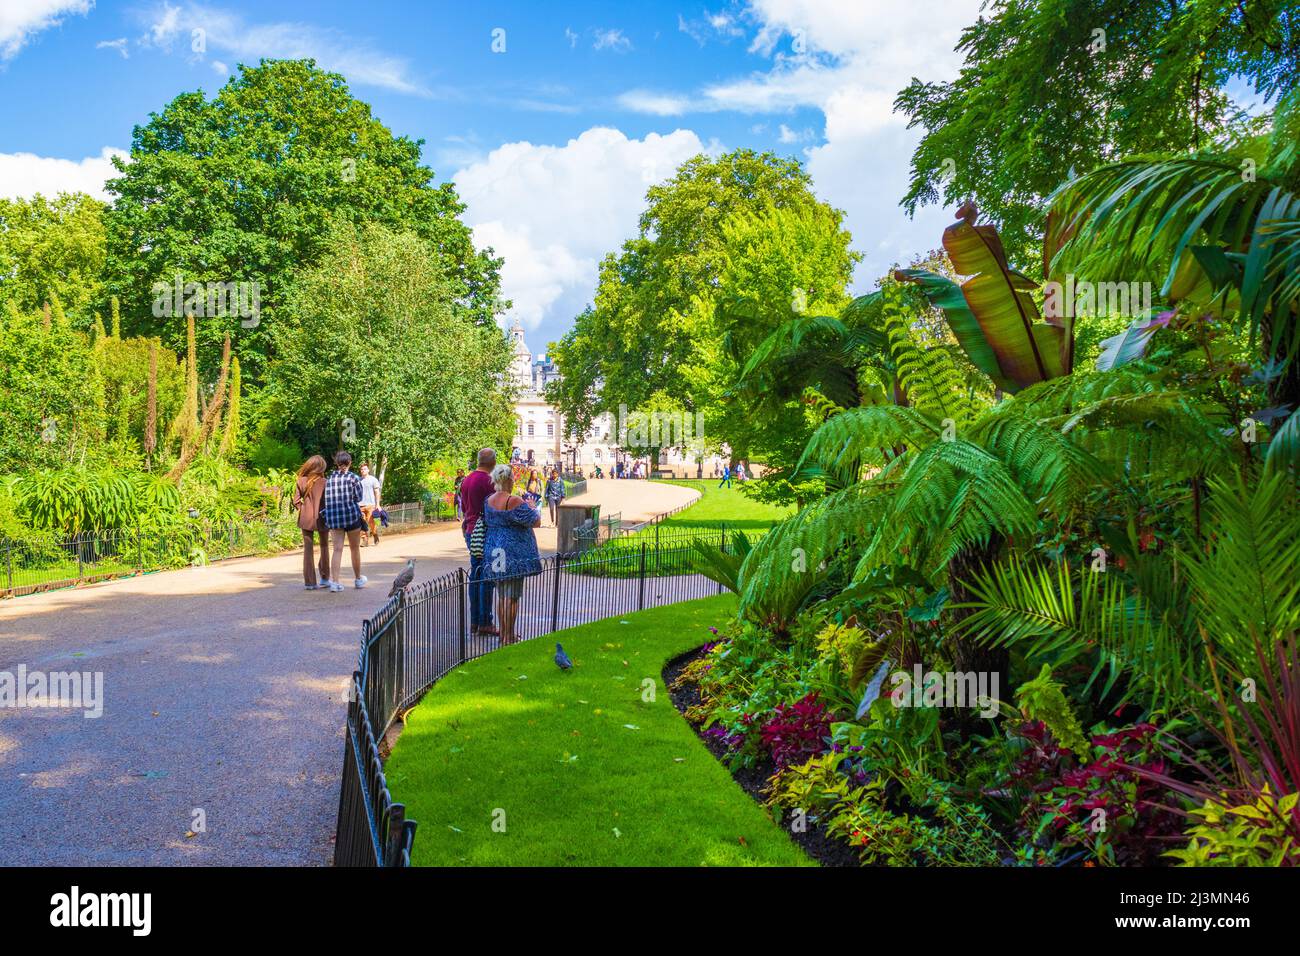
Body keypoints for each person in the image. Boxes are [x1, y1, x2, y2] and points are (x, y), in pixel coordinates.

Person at [481, 463, 542, 646]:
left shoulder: (489, 500)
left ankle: (503, 634)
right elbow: (535, 521)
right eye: (513, 477)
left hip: (494, 549)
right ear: (508, 479)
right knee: (512, 596)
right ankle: (509, 636)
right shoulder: (514, 500)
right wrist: (532, 506)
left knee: (501, 594)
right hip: (512, 553)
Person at [461, 448, 498, 637]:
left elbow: (464, 507)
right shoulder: (489, 481)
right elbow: (494, 507)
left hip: (470, 530)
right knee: (487, 576)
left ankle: (475, 621)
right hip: (484, 531)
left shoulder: (467, 479)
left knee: (475, 575)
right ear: (492, 462)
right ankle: (485, 621)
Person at [322, 450, 368, 592]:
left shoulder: (329, 479)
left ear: (336, 463)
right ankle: (358, 579)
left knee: (337, 549)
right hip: (351, 517)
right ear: (350, 463)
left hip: (334, 518)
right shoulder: (353, 478)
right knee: (354, 548)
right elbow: (359, 498)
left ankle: (335, 582)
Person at [291, 455, 330, 590]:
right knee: (324, 547)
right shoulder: (325, 481)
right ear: (321, 467)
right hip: (322, 517)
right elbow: (329, 501)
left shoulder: (301, 481)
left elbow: (296, 501)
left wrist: (302, 509)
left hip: (305, 518)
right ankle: (325, 578)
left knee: (308, 549)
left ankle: (309, 582)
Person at [358, 462, 383, 547]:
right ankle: (364, 540)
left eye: (364, 469)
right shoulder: (358, 480)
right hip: (360, 506)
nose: (363, 470)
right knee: (362, 523)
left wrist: (378, 504)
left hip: (371, 505)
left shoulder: (373, 479)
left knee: (372, 523)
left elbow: (377, 492)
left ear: (368, 470)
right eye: (361, 469)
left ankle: (375, 534)